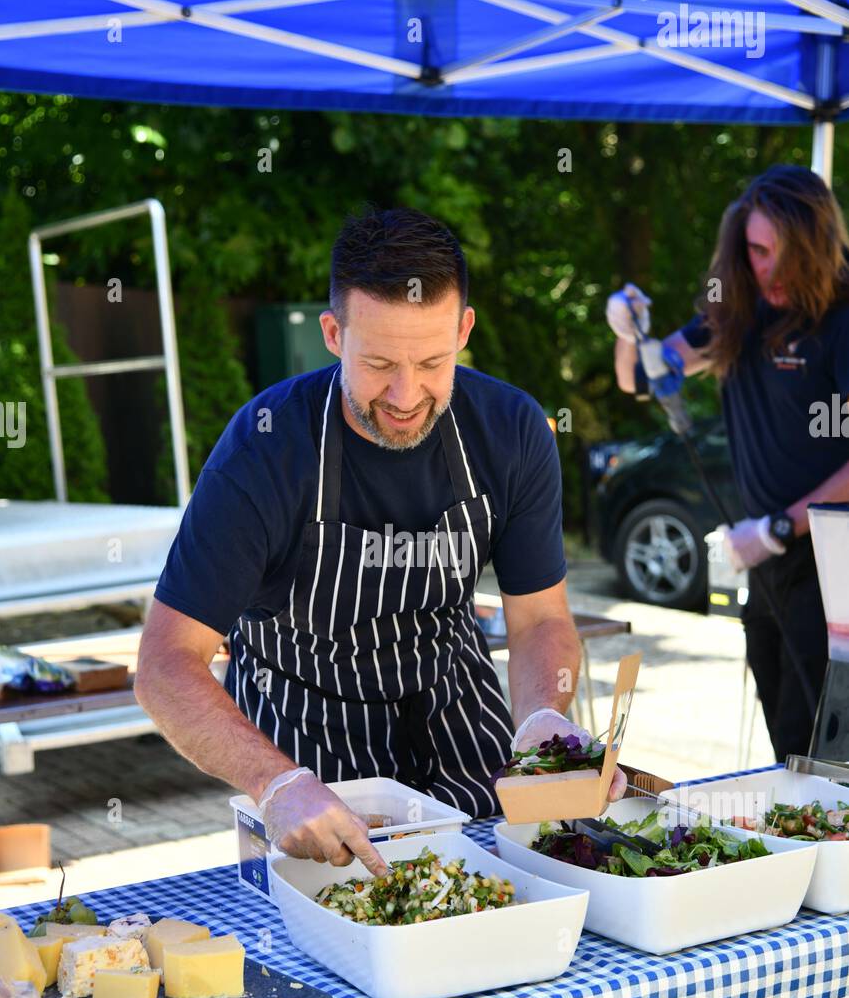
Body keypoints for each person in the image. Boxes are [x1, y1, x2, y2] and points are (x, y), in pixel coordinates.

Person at [136, 207, 624, 873]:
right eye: (378, 363)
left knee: (494, 906)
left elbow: (540, 617)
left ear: (464, 329)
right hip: (308, 747)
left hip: (459, 718)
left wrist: (542, 721)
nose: (405, 394)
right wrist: (274, 785)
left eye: (431, 362)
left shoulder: (511, 430)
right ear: (334, 334)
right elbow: (165, 664)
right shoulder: (265, 448)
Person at [608, 165, 849, 761]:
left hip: (834, 566)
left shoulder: (842, 318)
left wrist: (776, 528)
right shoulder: (737, 311)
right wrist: (626, 328)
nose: (764, 266)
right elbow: (641, 374)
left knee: (826, 756)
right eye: (754, 250)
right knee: (786, 748)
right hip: (766, 567)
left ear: (814, 245)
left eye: (777, 252)